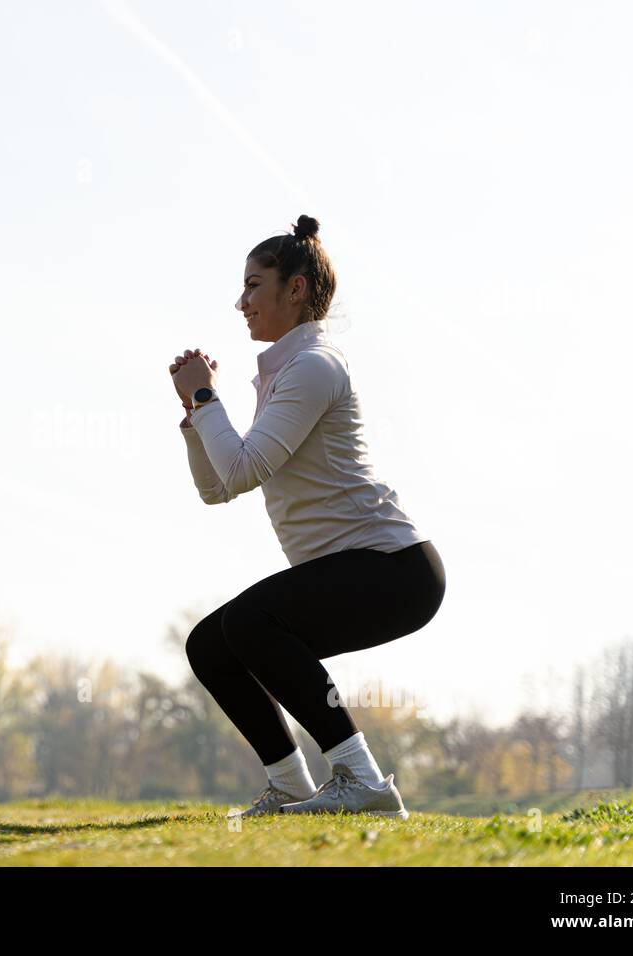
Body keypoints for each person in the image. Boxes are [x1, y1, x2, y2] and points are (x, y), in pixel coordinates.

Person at [170, 215, 446, 819]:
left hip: (394, 569)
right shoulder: (285, 373)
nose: (240, 302)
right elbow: (218, 488)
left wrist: (206, 397)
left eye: (253, 285)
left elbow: (242, 470)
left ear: (295, 289)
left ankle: (363, 782)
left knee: (251, 624)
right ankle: (292, 784)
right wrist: (197, 421)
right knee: (211, 644)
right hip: (357, 570)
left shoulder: (314, 366)